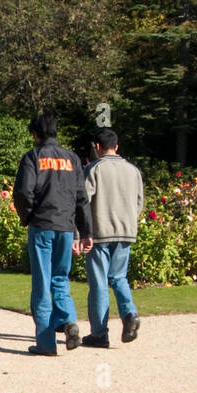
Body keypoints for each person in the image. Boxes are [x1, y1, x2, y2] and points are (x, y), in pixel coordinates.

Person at [12, 113, 93, 356]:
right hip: (66, 227)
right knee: (60, 278)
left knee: (41, 282)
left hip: (42, 226)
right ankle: (68, 321)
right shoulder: (72, 158)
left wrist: (26, 217)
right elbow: (82, 198)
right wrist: (85, 231)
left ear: (35, 134)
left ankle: (46, 343)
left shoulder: (33, 157)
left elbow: (23, 193)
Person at [81, 129, 144, 348]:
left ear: (97, 147)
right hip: (126, 231)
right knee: (119, 277)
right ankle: (129, 313)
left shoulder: (93, 169)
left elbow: (83, 203)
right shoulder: (133, 170)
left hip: (100, 232)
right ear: (116, 147)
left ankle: (99, 333)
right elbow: (139, 202)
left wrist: (81, 233)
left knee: (98, 282)